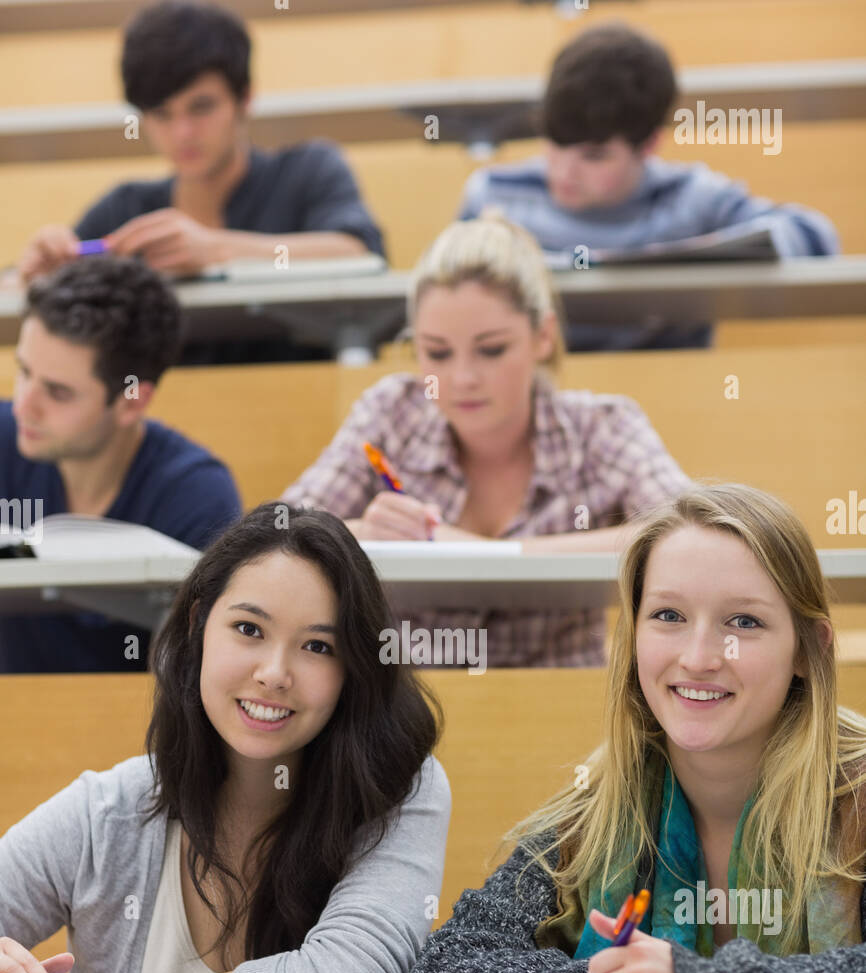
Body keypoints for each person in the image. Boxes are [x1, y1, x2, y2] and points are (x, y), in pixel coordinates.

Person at [404, 483, 866, 973]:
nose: (699, 656)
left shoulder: (857, 796)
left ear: (809, 649)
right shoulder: (595, 812)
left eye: (742, 621)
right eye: (668, 616)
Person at [0, 503, 471, 973]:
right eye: (248, 629)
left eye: (318, 646)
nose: (275, 672)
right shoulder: (111, 811)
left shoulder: (400, 792)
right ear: (198, 626)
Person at [281, 212, 691, 667]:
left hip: (567, 708)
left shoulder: (603, 427)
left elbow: (694, 535)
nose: (462, 378)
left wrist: (493, 555)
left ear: (542, 337)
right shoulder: (390, 411)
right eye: (437, 352)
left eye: (492, 349)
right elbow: (277, 535)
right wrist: (355, 536)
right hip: (405, 714)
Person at [16, 1, 385, 362]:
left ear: (245, 99)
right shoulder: (126, 207)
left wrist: (216, 251)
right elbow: (20, 284)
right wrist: (40, 277)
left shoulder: (308, 171)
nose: (183, 133)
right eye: (161, 114)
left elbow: (359, 253)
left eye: (201, 107)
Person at [457, 24, 839, 351]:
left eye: (595, 156)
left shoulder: (692, 199)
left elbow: (816, 237)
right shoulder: (495, 195)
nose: (563, 171)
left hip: (673, 400)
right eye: (555, 143)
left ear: (649, 145)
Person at [0, 255, 241, 673]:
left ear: (133, 400)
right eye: (24, 372)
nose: (25, 405)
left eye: (57, 392)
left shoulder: (195, 496)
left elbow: (195, 681)